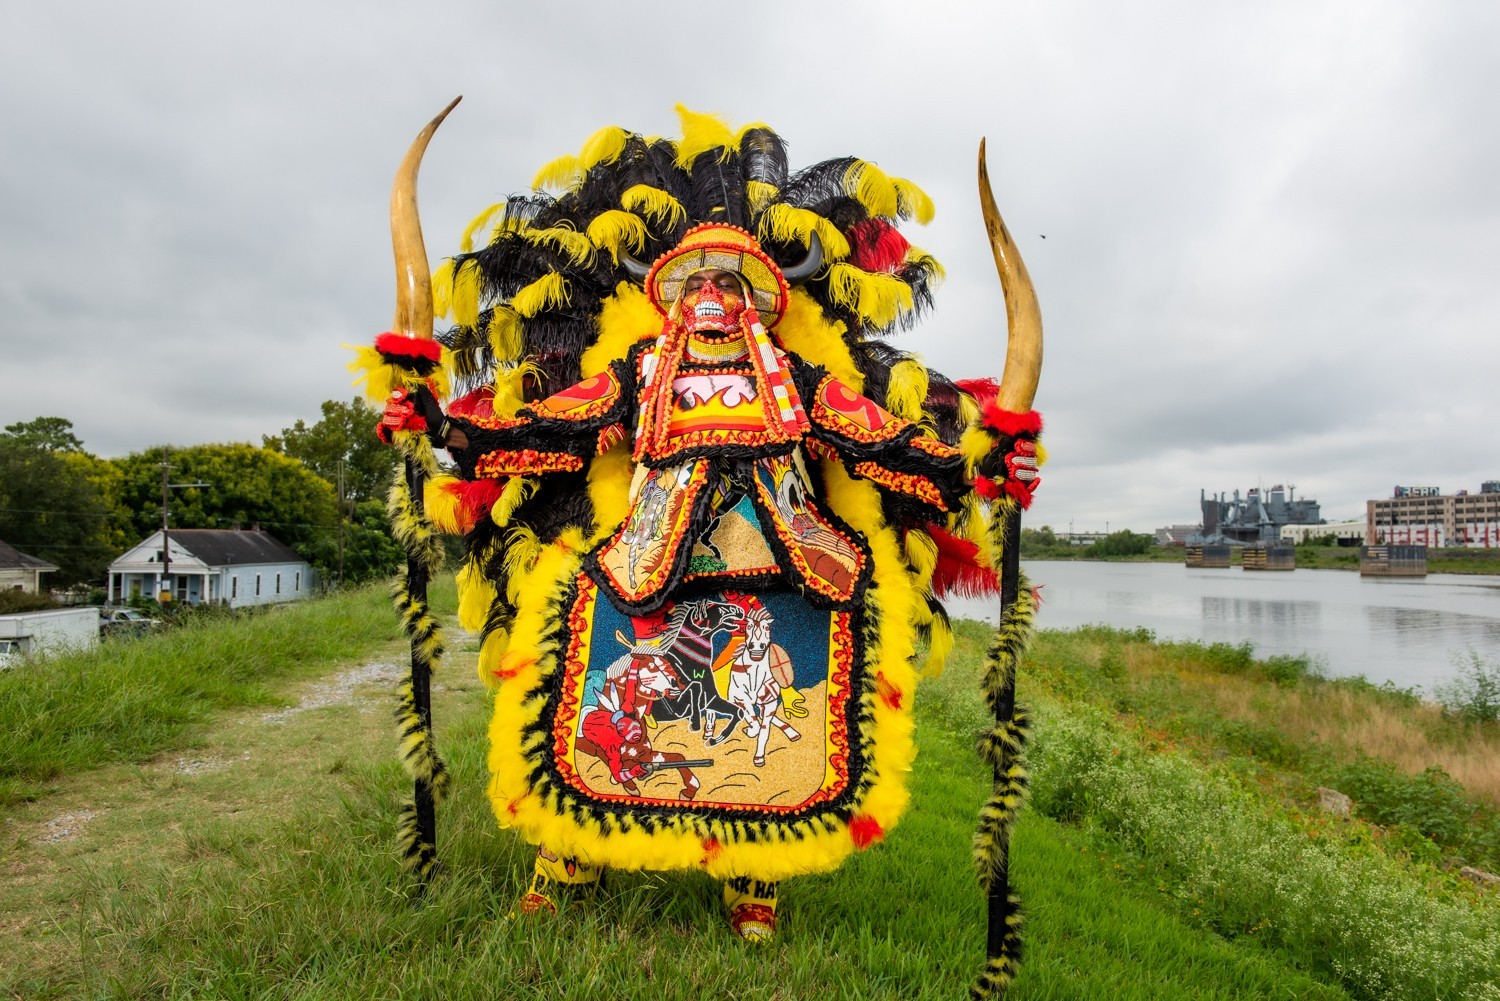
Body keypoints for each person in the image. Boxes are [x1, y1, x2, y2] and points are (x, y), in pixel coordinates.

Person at [371, 109, 1040, 942]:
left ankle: (753, 874)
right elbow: (557, 426)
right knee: (577, 654)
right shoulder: (641, 372)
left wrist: (976, 464)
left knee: (781, 719)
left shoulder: (796, 379)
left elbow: (874, 437)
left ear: (758, 302)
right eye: (695, 284)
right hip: (652, 559)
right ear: (674, 301)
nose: (713, 297)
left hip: (782, 563)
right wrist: (445, 425)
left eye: (730, 283)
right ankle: (570, 853)